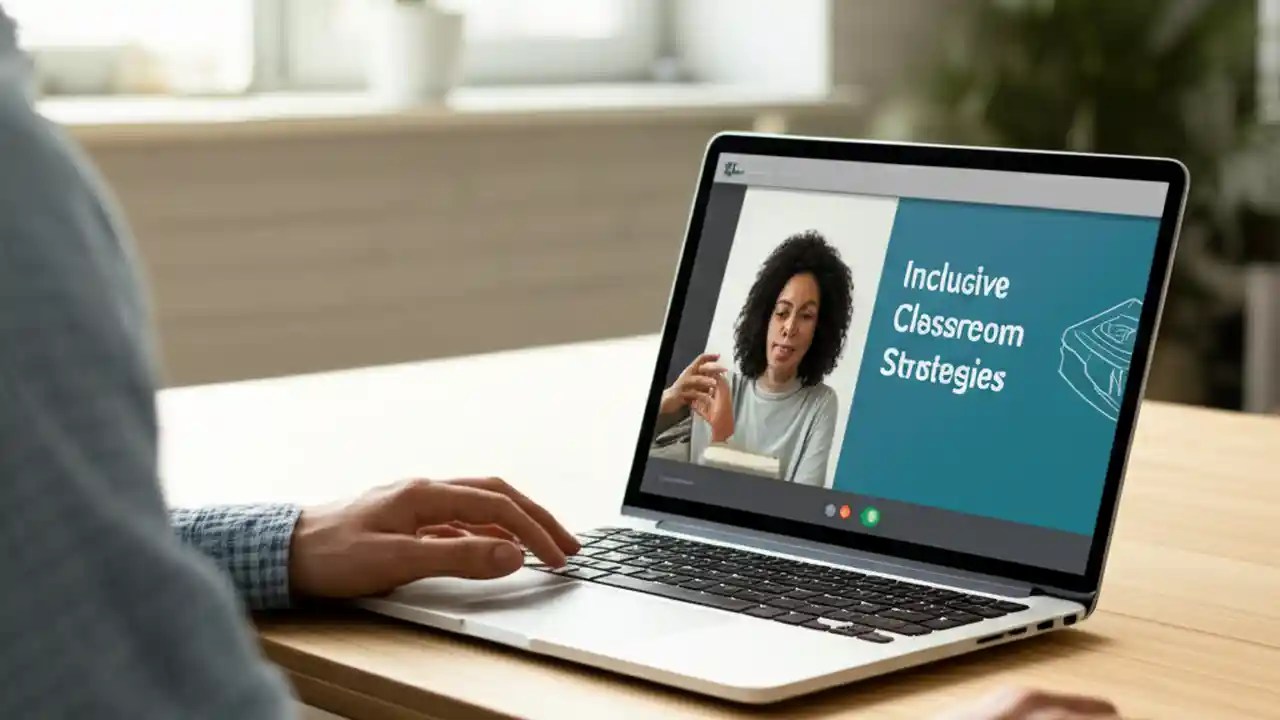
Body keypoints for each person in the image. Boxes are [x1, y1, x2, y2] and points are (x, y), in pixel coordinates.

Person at [0, 8, 1121, 718]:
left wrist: (282, 546)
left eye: (802, 317)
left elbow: (47, 572)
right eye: (772, 309)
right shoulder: (15, 194)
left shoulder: (821, 410)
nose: (783, 329)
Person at [656, 231, 853, 487]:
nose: (790, 327)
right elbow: (693, 489)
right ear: (765, 317)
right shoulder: (722, 383)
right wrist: (668, 400)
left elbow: (801, 506)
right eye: (782, 312)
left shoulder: (820, 404)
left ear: (821, 329)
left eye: (806, 316)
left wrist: (721, 441)